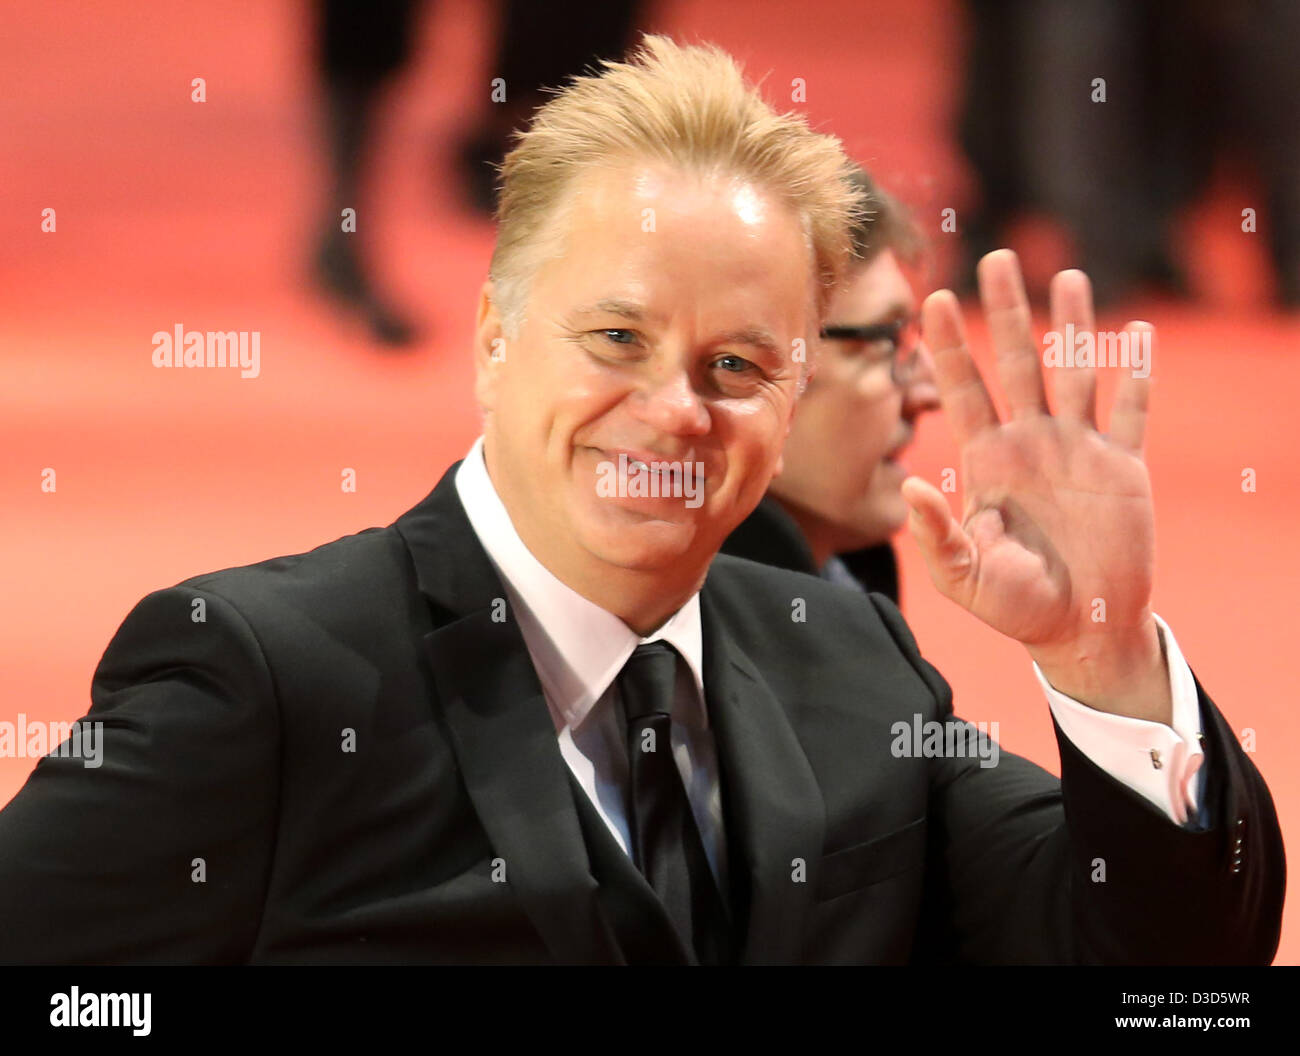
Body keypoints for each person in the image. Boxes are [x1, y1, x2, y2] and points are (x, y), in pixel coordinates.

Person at [0, 35, 1283, 965]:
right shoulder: (268, 681)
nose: (676, 408)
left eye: (736, 364)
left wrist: (1103, 661)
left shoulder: (847, 665)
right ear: (494, 340)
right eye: (615, 337)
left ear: (787, 403)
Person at [721, 166, 938, 602]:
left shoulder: (846, 582)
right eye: (887, 338)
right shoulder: (686, 647)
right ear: (740, 370)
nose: (928, 393)